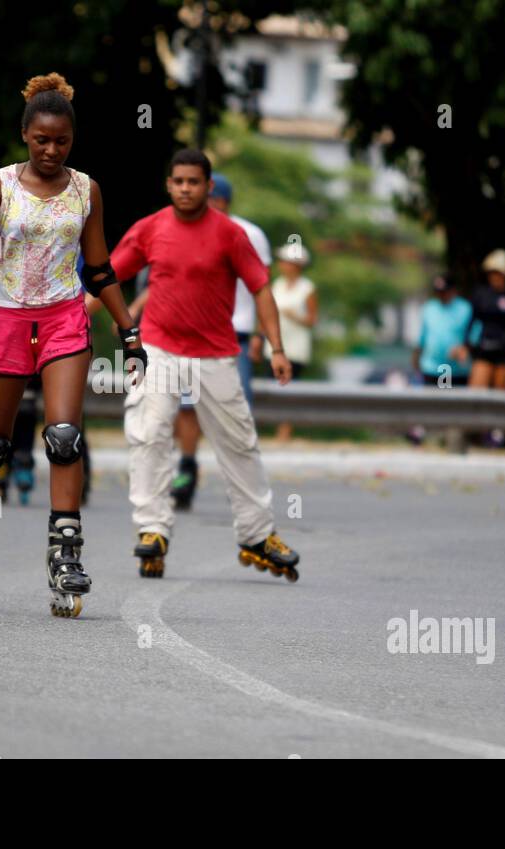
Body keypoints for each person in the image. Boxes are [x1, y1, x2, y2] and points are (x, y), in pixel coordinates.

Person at [0, 73, 143, 618]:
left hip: (65, 319)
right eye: (41, 140)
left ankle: (65, 556)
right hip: (8, 319)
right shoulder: (1, 184)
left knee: (64, 436)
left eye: (61, 141)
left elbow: (98, 267)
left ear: (72, 140)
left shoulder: (85, 189)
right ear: (25, 134)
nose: (50, 150)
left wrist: (128, 329)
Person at [111, 148, 301, 582]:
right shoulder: (151, 228)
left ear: (208, 186)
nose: (185, 189)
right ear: (168, 184)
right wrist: (72, 319)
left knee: (239, 443)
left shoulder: (231, 235)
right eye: (178, 181)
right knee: (148, 433)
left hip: (214, 353)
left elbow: (262, 291)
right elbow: (109, 276)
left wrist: (276, 348)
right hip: (158, 348)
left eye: (193, 182)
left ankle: (256, 534)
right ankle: (153, 530)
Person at [169, 172, 268, 508]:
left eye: (213, 200)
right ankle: (186, 466)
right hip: (192, 332)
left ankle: (239, 477)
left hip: (234, 333)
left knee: (234, 409)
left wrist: (261, 335)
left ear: (223, 201)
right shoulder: (188, 230)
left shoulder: (249, 234)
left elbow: (261, 289)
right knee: (187, 405)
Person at [466, 249, 505, 447]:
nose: (496, 277)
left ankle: (497, 435)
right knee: (477, 392)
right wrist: (465, 345)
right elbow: (471, 322)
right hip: (484, 349)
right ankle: (477, 434)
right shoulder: (481, 295)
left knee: (501, 397)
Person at [269, 242, 317, 442]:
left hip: (295, 347)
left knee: (289, 389)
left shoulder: (307, 288)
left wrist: (294, 316)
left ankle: (285, 430)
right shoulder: (277, 285)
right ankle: (274, 427)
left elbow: (312, 320)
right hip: (273, 346)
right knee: (271, 387)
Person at [412, 274, 472, 387]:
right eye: (438, 291)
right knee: (433, 403)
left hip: (456, 370)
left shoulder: (465, 308)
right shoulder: (429, 308)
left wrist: (464, 348)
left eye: (444, 291)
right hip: (432, 368)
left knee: (453, 403)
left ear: (453, 290)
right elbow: (421, 339)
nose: (441, 295)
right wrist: (416, 361)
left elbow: (474, 335)